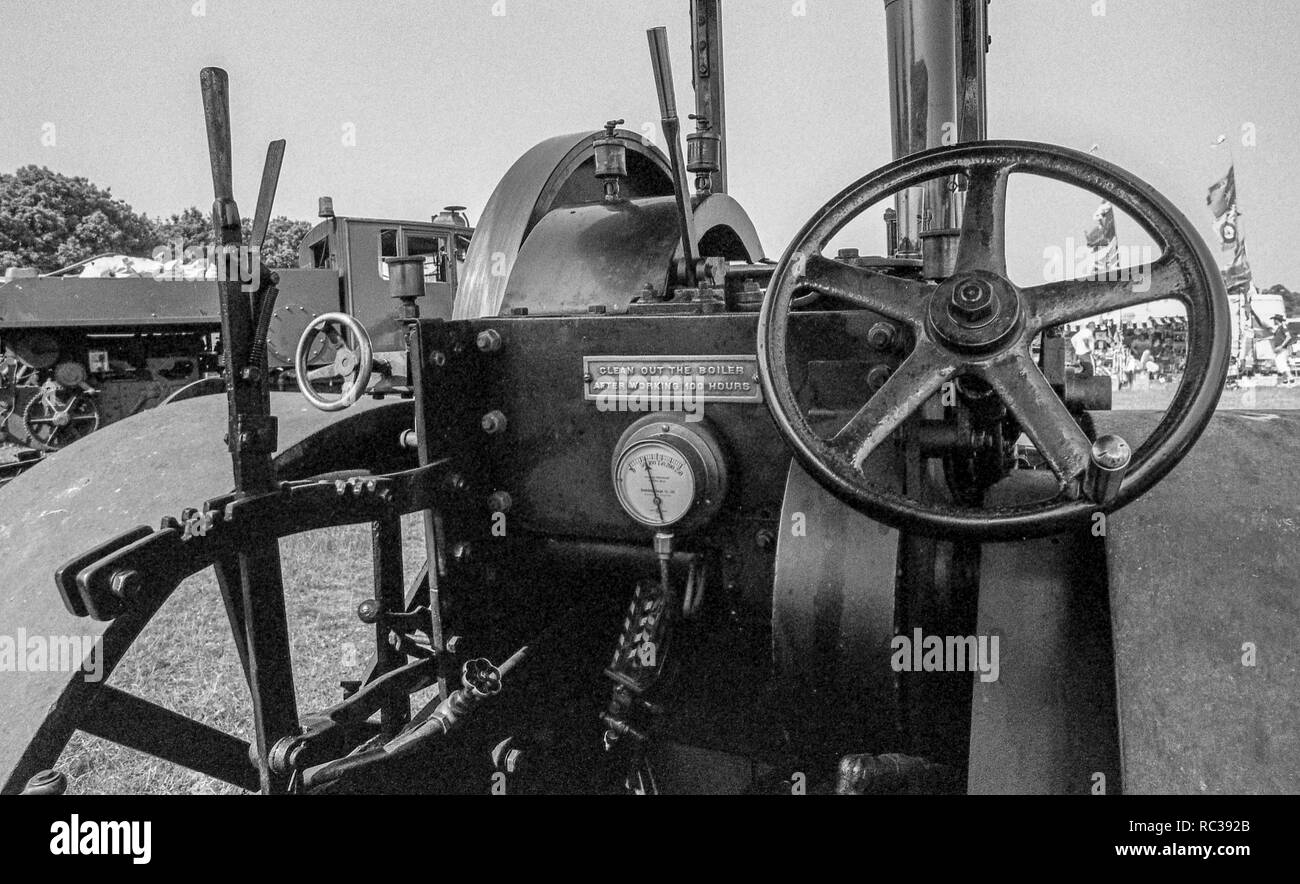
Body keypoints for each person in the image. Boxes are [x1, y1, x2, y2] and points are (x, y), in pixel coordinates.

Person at [1270, 315, 1295, 385]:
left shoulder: (1283, 327)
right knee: (1279, 364)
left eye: (1274, 319)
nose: (1273, 321)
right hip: (1278, 349)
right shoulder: (1278, 328)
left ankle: (1291, 378)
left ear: (1276, 320)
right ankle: (1285, 381)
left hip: (1282, 348)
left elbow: (1288, 336)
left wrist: (1281, 346)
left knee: (1282, 364)